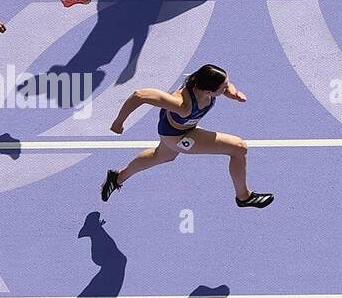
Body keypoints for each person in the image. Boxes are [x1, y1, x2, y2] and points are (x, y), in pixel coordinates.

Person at [101, 63, 273, 208]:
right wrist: (118, 122)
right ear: (209, 92)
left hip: (176, 128)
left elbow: (226, 84)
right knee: (239, 148)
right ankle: (244, 197)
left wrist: (233, 93)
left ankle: (117, 178)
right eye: (224, 87)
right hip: (179, 136)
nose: (227, 87)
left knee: (160, 156)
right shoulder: (183, 105)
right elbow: (140, 95)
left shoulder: (204, 81)